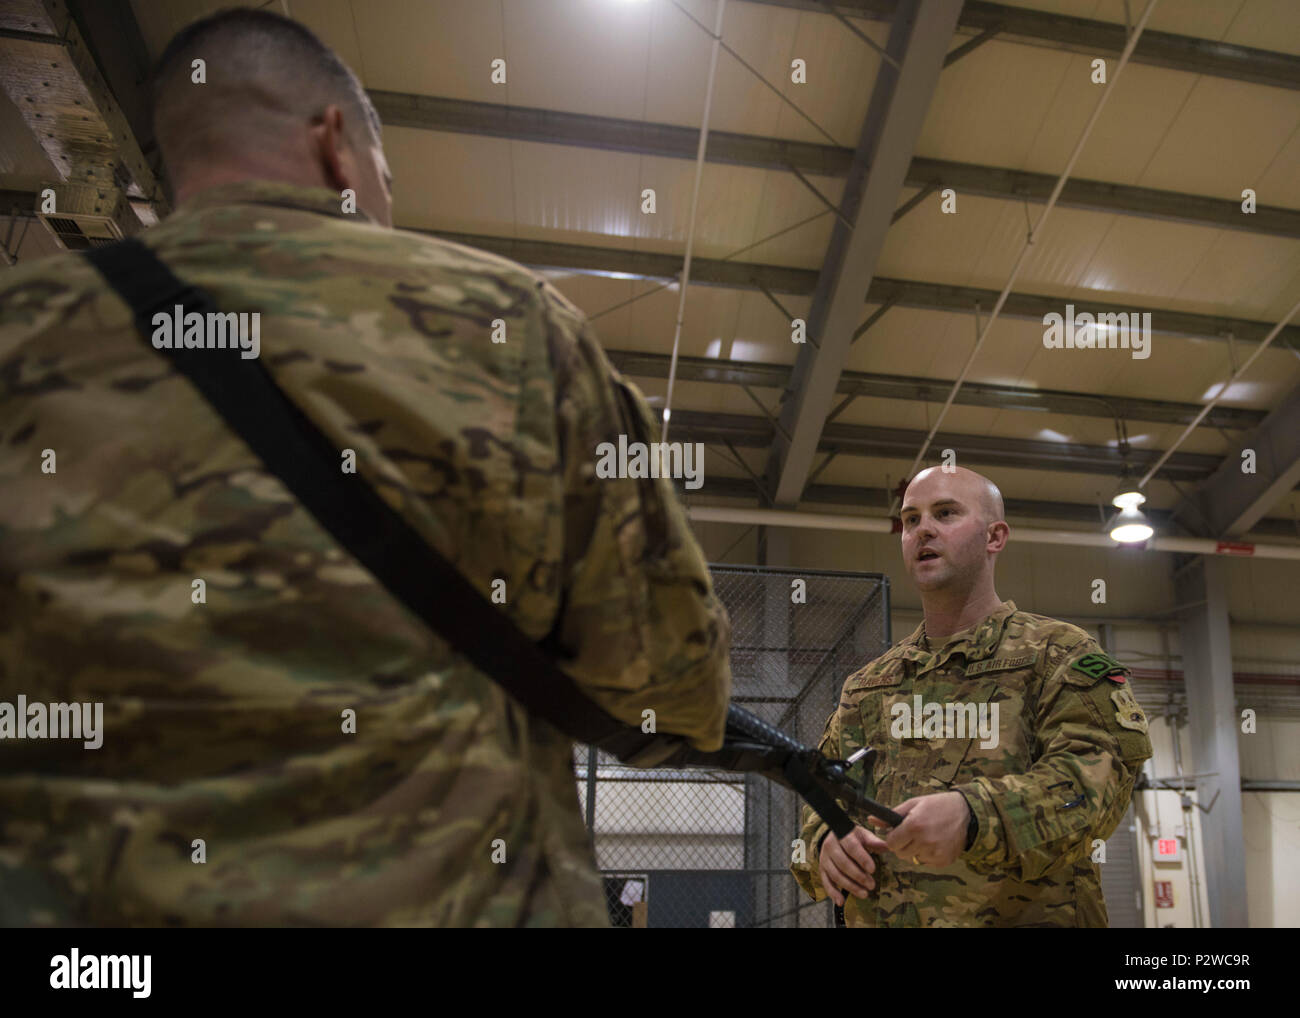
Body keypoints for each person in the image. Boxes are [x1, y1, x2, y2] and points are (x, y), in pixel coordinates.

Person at [0, 8, 730, 927]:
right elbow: (677, 686)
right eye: (386, 173)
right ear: (337, 143)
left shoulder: (21, 333)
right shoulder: (507, 325)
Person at [790, 465, 1152, 927]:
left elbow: (1093, 787)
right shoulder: (869, 685)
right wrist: (825, 841)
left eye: (945, 513)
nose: (924, 530)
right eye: (911, 519)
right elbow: (822, 793)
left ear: (994, 537)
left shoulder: (1057, 655)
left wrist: (975, 815)